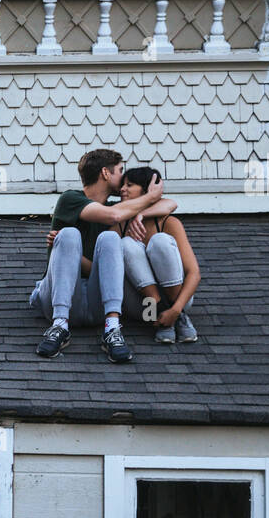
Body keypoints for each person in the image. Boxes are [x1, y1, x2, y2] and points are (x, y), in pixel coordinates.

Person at [32, 149, 177, 362]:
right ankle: (59, 326)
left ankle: (112, 327)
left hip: (96, 300)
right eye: (120, 171)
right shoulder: (71, 199)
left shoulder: (118, 210)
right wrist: (150, 197)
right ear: (105, 173)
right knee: (69, 234)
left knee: (110, 239)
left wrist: (141, 211)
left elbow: (171, 203)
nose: (124, 178)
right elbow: (114, 215)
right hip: (56, 298)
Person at [117, 166, 200, 344]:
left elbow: (194, 273)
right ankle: (162, 312)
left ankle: (176, 316)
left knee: (160, 241)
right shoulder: (119, 222)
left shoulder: (168, 222)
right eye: (122, 185)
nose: (122, 189)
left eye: (129, 185)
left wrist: (176, 310)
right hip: (144, 307)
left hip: (179, 301)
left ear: (148, 190)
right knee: (125, 244)